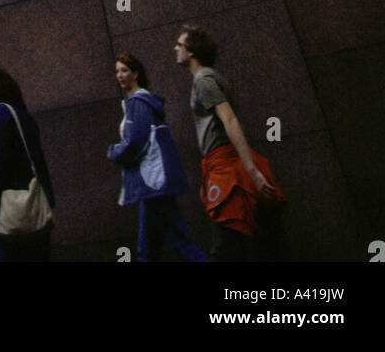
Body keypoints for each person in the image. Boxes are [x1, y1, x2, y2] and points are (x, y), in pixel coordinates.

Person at [175, 24, 284, 261]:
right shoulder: (212, 78)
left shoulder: (203, 81)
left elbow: (229, 120)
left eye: (180, 44)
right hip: (222, 165)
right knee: (244, 242)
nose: (175, 48)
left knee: (224, 246)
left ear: (191, 51)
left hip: (226, 167)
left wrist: (252, 171)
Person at [107, 52, 207, 262]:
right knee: (148, 249)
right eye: (117, 71)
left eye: (124, 70)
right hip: (154, 182)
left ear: (136, 73)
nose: (120, 75)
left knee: (182, 244)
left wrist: (114, 152)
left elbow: (136, 142)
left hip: (152, 182)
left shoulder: (138, 103)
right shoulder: (143, 102)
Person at [0, 66, 55, 263]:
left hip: (12, 209)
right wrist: (48, 199)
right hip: (36, 206)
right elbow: (39, 161)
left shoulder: (0, 116)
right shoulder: (25, 117)